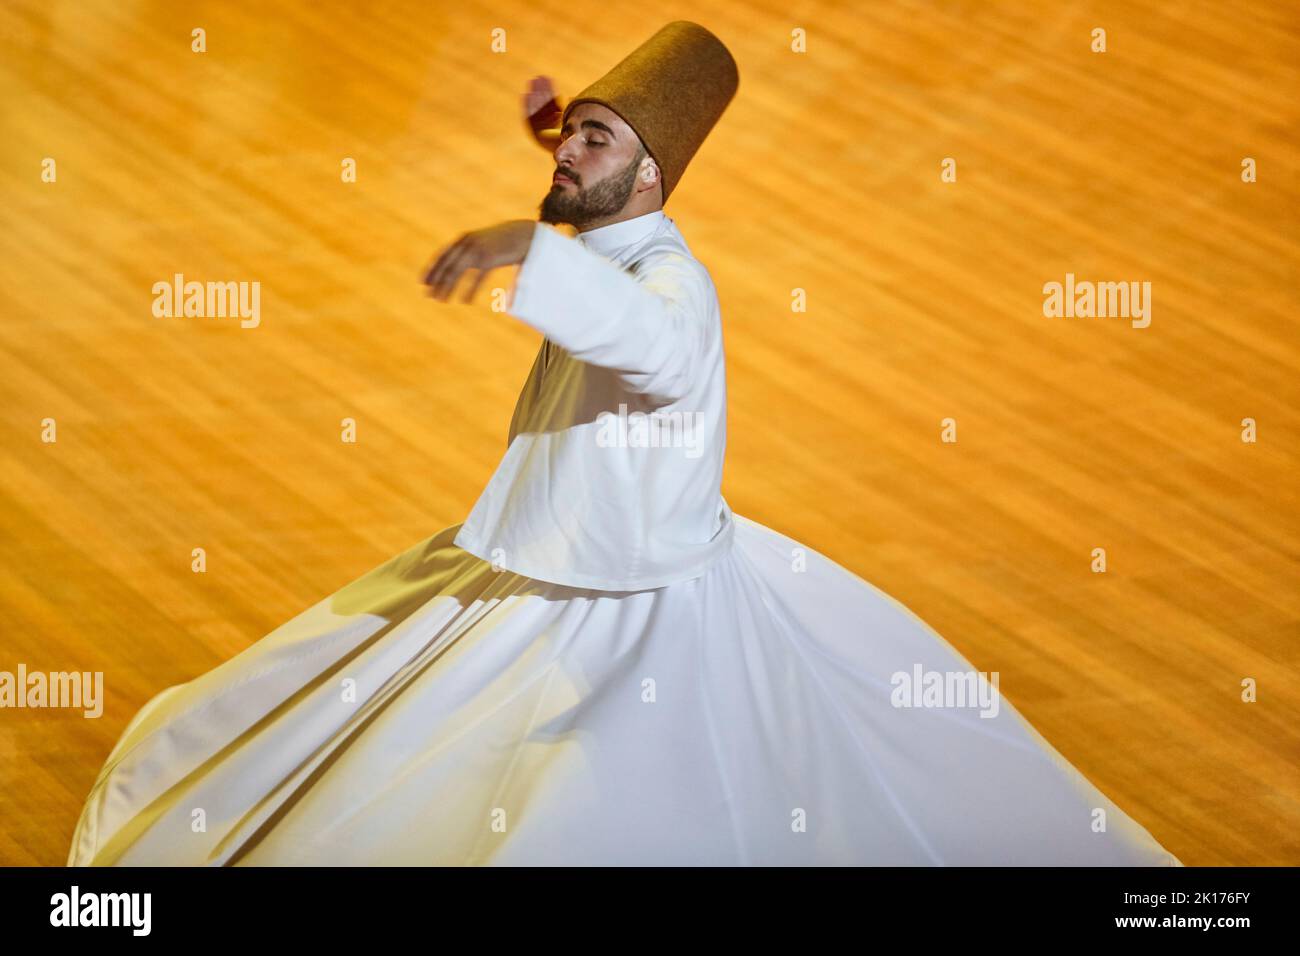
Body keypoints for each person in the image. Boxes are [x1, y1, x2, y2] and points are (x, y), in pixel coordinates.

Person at [67, 21, 1182, 866]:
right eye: (568, 136)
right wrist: (561, 166)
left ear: (648, 176)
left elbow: (652, 345)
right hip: (556, 560)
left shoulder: (672, 285)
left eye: (593, 142)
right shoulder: (614, 233)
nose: (564, 155)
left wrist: (522, 243)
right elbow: (591, 239)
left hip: (624, 592)